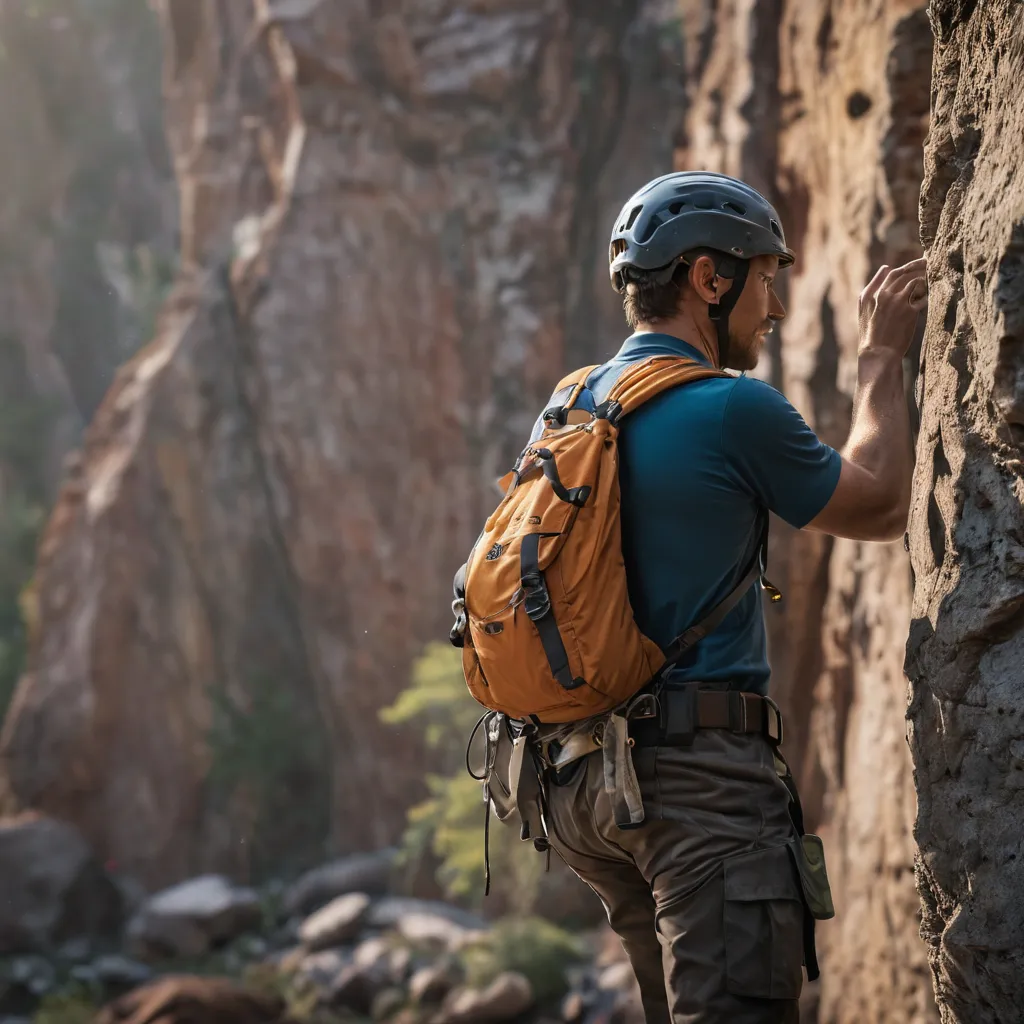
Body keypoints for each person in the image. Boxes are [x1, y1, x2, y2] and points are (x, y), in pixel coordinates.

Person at [532, 172, 927, 1023]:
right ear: (710, 279)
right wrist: (881, 357)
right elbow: (880, 503)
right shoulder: (728, 408)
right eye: (764, 278)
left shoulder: (568, 406)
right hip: (696, 786)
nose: (774, 307)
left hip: (581, 788)